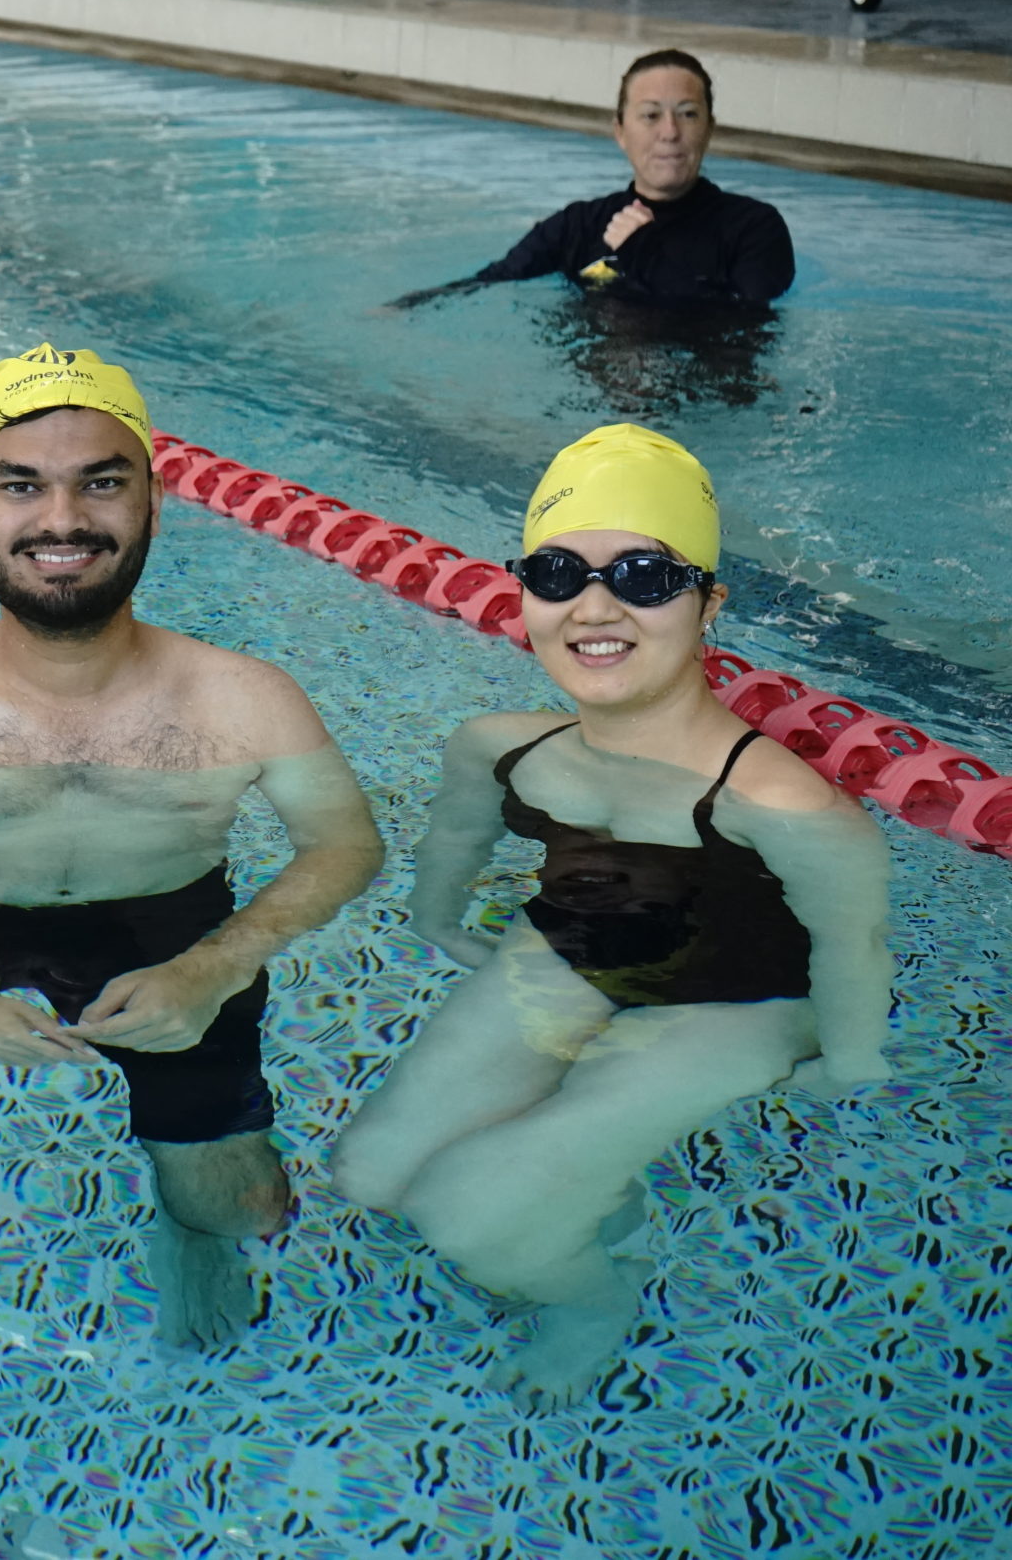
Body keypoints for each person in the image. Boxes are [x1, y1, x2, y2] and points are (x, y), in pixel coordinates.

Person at [0, 345, 384, 1346]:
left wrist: (209, 970)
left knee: (236, 1209)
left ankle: (187, 1248)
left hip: (167, 924)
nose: (61, 521)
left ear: (152, 504)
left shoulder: (246, 698)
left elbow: (344, 846)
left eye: (101, 482)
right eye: (22, 487)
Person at [330, 424, 892, 1409]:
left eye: (642, 576)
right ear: (525, 599)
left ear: (708, 604)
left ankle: (592, 1297)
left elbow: (854, 949)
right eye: (557, 573)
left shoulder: (784, 805)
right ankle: (592, 1186)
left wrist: (844, 1066)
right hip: (581, 951)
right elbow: (454, 845)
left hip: (738, 1002)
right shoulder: (502, 749)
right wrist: (439, 920)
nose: (594, 606)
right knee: (370, 1174)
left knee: (469, 1215)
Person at [400, 49, 795, 310]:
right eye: (651, 115)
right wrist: (406, 306)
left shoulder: (754, 229)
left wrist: (641, 256)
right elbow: (492, 281)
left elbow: (747, 325)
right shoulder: (578, 226)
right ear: (620, 130)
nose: (670, 133)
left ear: (710, 129)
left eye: (688, 114)